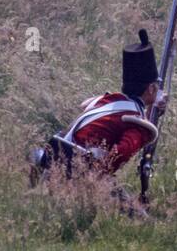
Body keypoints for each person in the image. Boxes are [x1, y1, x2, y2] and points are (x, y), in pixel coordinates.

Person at [29, 29, 163, 184]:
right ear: (151, 89)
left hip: (51, 166)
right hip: (77, 179)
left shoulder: (107, 101)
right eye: (157, 86)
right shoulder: (137, 125)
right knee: (132, 208)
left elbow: (86, 105)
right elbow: (115, 160)